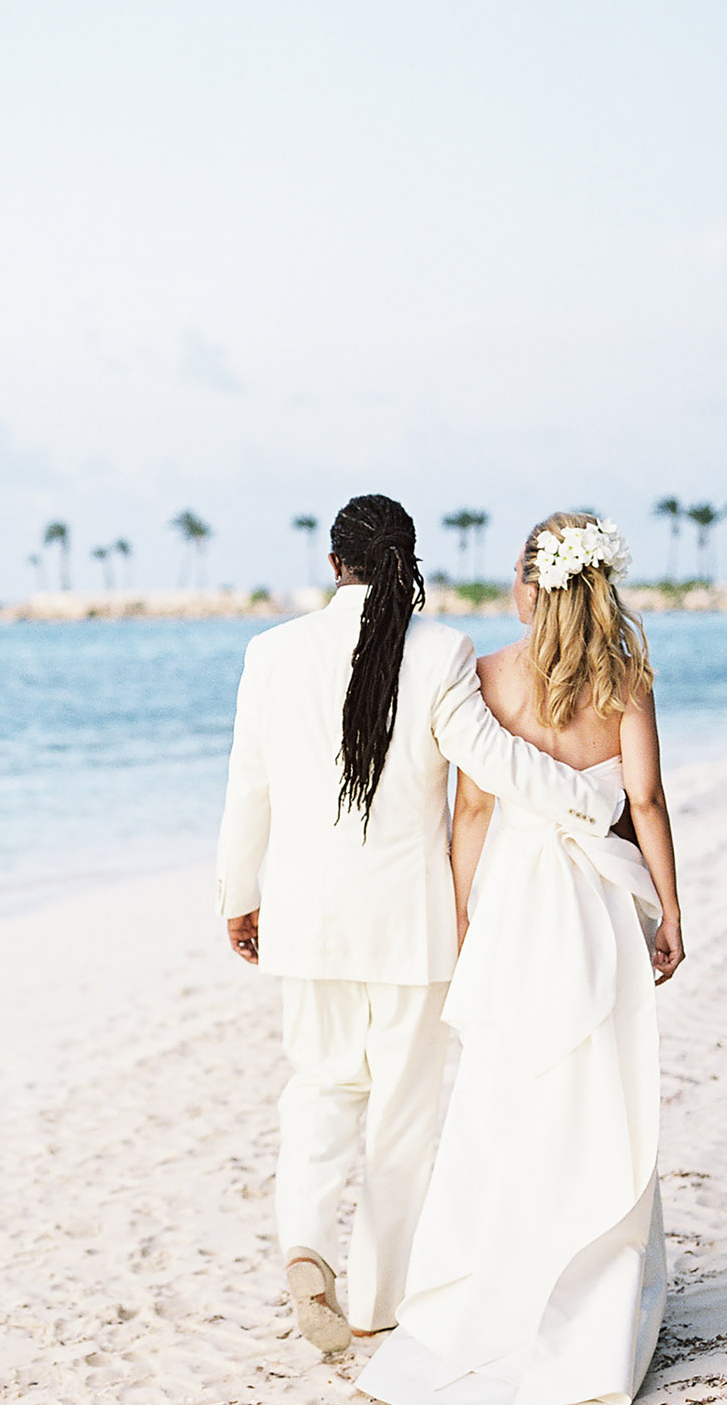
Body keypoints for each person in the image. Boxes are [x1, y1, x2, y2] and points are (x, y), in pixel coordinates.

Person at [217, 495, 624, 1353]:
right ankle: (374, 1302)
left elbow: (246, 788)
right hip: (411, 925)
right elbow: (501, 766)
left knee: (320, 1087)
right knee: (402, 1119)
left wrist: (237, 895)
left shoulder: (271, 652)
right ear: (407, 561)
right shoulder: (441, 653)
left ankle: (304, 1244)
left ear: (336, 565)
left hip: (307, 922)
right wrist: (594, 799)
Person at [355, 511, 684, 1405]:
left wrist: (467, 916)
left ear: (528, 585)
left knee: (508, 1090)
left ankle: (494, 1293)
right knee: (596, 1085)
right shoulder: (627, 678)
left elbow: (470, 817)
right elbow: (647, 801)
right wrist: (670, 909)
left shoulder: (490, 677)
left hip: (516, 906)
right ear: (599, 585)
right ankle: (599, 1305)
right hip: (599, 908)